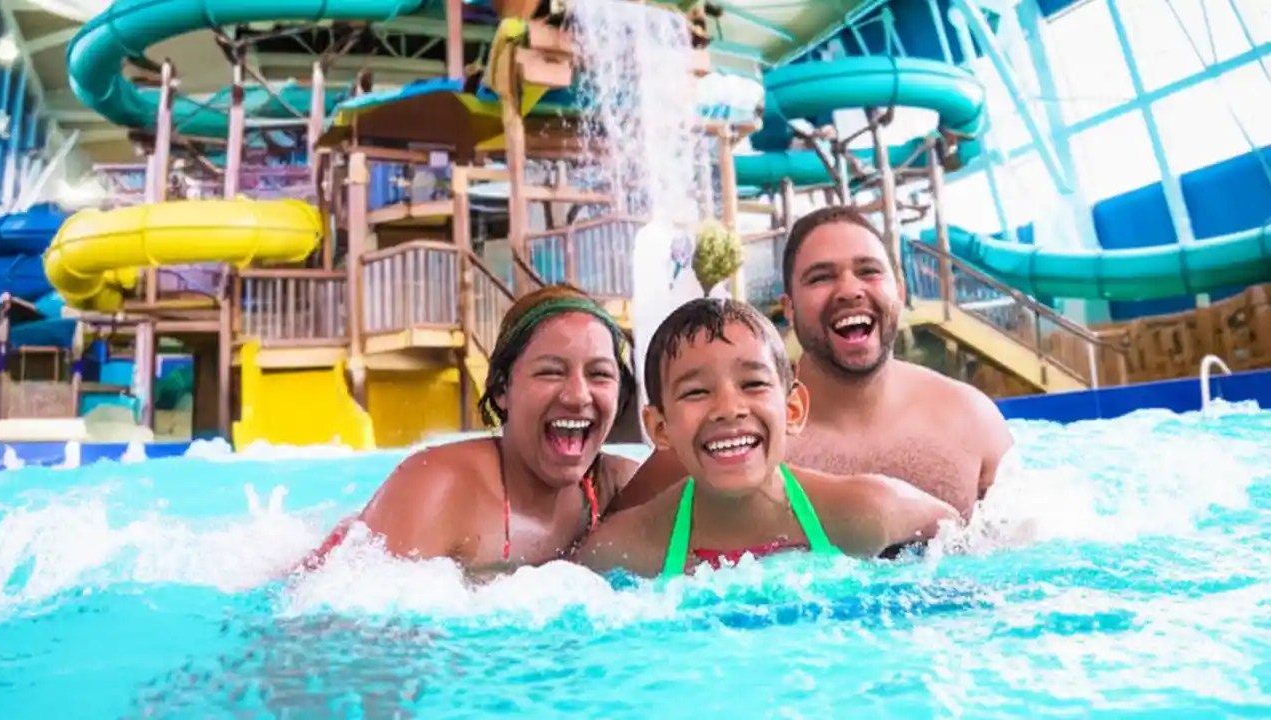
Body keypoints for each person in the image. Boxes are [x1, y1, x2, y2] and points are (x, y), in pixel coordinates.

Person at [608, 205, 1014, 519]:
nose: (849, 290)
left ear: (900, 291)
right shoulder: (731, 431)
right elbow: (618, 543)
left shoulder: (972, 419)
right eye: (821, 277)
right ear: (789, 308)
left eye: (869, 271)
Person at [576, 298, 958, 577]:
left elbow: (957, 535)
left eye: (753, 383)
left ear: (793, 410)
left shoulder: (863, 513)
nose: (728, 408)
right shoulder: (626, 550)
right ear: (660, 428)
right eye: (696, 392)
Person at [300, 285, 641, 572]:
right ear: (501, 391)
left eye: (599, 374)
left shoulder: (620, 489)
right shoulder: (438, 487)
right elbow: (351, 628)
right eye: (551, 372)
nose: (578, 395)